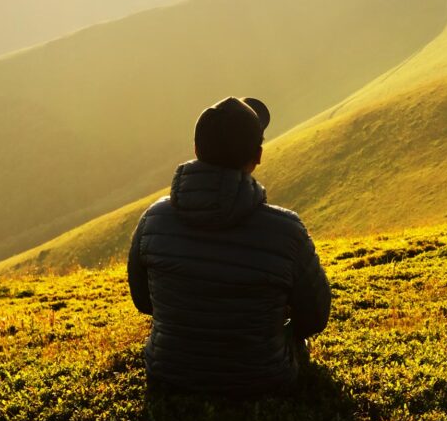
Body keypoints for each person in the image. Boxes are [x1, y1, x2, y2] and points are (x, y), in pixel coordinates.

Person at [128, 96, 331, 396]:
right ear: (258, 155)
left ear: (196, 149)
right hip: (263, 380)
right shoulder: (286, 231)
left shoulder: (153, 220)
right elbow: (314, 317)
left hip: (169, 374)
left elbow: (144, 302)